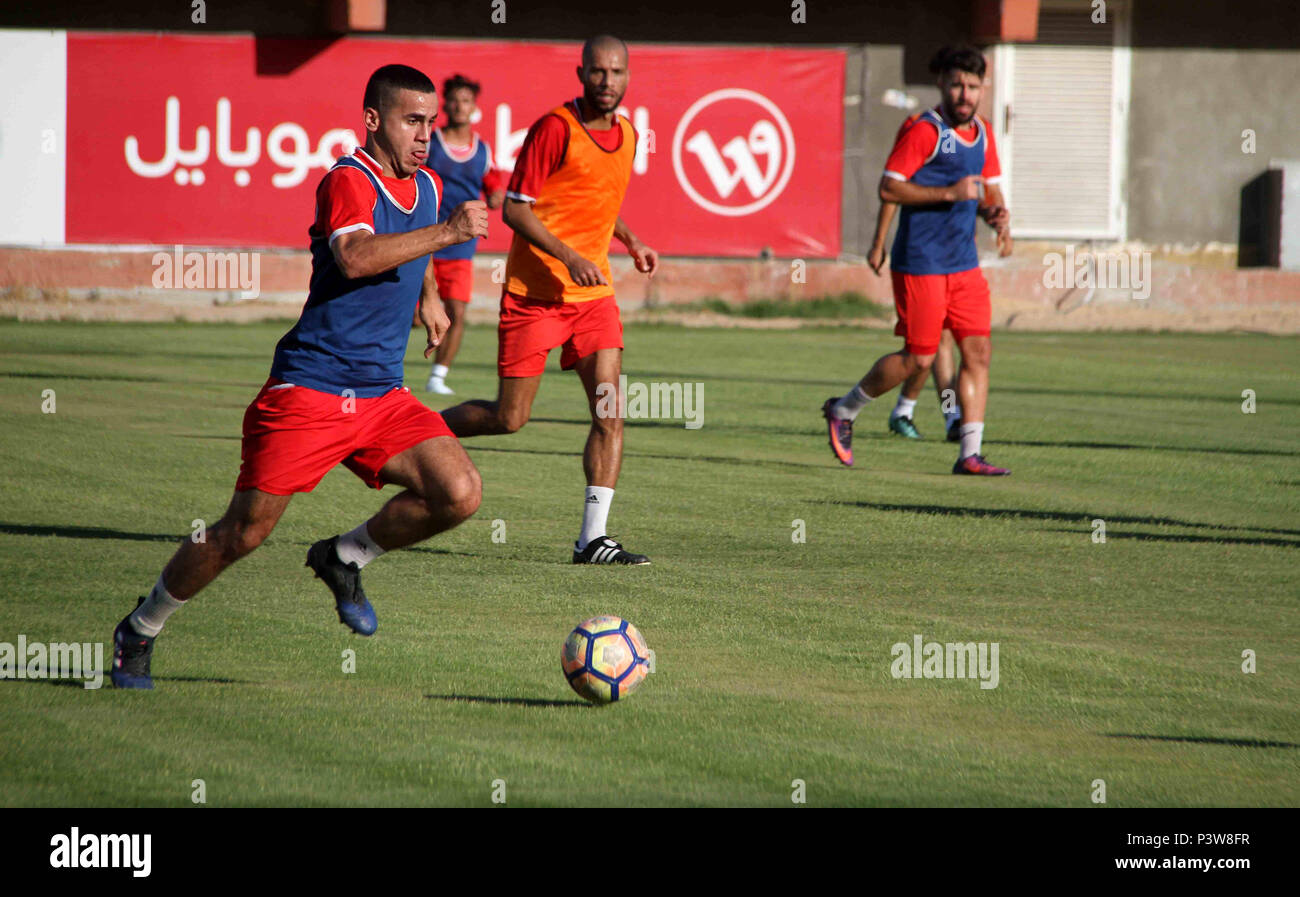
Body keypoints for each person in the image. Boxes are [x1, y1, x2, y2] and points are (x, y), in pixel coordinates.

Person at [110, 64, 490, 689]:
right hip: (310, 389)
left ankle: (343, 558)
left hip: (380, 394)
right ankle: (140, 629)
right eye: (412, 120)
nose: (426, 133)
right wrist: (449, 233)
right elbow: (356, 254)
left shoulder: (424, 185)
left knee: (460, 492)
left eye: (430, 122)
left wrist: (429, 299)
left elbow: (411, 245)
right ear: (373, 120)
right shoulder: (349, 179)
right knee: (243, 532)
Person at [440, 35, 658, 565]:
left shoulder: (629, 135)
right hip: (534, 296)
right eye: (598, 72)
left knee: (610, 412)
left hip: (594, 296)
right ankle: (419, 431)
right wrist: (569, 256)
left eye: (617, 72)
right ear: (581, 73)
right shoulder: (555, 127)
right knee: (509, 419)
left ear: (628, 77)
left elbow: (595, 202)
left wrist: (628, 240)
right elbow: (515, 209)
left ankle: (592, 539)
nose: (608, 81)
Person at [823, 44, 1013, 475]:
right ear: (942, 86)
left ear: (983, 88)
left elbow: (988, 190)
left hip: (964, 264)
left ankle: (969, 453)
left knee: (978, 350)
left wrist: (997, 216)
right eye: (956, 85)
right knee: (919, 359)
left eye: (972, 85)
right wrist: (947, 195)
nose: (964, 94)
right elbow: (890, 188)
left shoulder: (983, 133)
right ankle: (844, 410)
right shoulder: (924, 130)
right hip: (922, 262)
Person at [422, 73, 508, 395]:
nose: (460, 106)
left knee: (456, 311)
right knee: (411, 313)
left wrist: (497, 195)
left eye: (466, 101)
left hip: (460, 248)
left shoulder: (483, 151)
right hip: (425, 242)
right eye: (455, 100)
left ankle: (437, 378)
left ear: (474, 107)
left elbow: (494, 184)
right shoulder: (432, 144)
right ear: (445, 104)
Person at [868, 199, 963, 442]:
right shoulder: (921, 164)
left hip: (956, 258)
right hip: (921, 262)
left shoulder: (973, 163)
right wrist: (878, 243)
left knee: (942, 339)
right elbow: (890, 190)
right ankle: (914, 411)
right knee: (925, 347)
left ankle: (947, 415)